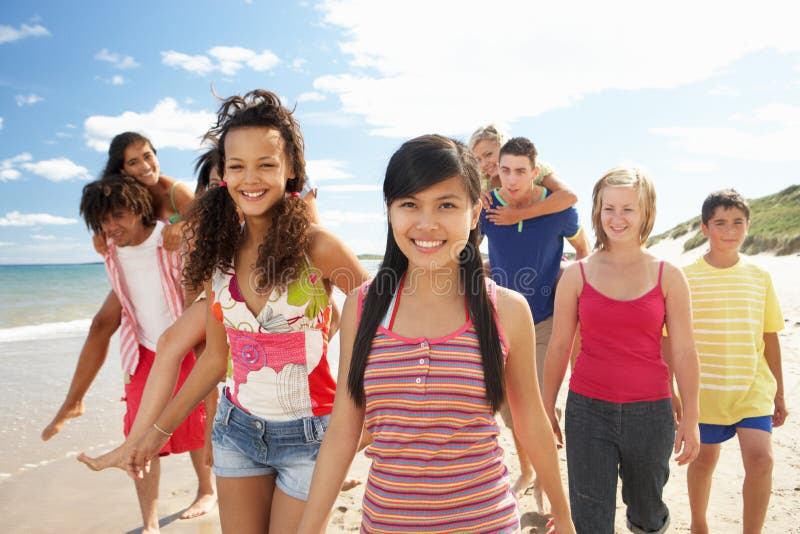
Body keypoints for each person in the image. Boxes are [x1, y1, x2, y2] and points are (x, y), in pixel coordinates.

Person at [297, 134, 575, 533]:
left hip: (488, 522)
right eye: (410, 204)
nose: (426, 223)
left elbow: (531, 420)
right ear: (390, 211)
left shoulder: (507, 310)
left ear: (475, 213)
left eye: (446, 205)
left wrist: (563, 517)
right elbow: (343, 431)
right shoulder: (363, 306)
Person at [124, 89, 369, 533]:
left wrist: (363, 421)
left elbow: (379, 318)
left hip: (312, 437)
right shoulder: (219, 256)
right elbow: (215, 360)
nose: (249, 179)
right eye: (237, 166)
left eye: (266, 164)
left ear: (290, 169)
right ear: (223, 174)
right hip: (236, 434)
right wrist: (155, 434)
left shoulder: (319, 247)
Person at [542, 165, 701, 534]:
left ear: (646, 211)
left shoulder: (668, 275)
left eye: (628, 209)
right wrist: (546, 407)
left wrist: (691, 416)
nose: (617, 218)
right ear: (598, 211)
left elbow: (684, 350)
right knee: (590, 519)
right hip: (587, 411)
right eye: (608, 208)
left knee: (647, 514)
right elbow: (560, 345)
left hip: (651, 413)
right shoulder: (576, 274)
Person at [61, 174, 212, 533]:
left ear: (139, 209)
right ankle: (150, 523)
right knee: (139, 434)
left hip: (186, 344)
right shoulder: (110, 251)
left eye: (119, 215)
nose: (111, 226)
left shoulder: (169, 238)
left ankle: (206, 490)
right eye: (103, 220)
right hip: (143, 351)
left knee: (196, 423)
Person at [41, 132, 195, 442]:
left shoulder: (173, 191)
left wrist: (182, 225)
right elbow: (105, 211)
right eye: (133, 162)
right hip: (140, 268)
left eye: (148, 156)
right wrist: (100, 232)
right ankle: (73, 401)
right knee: (101, 323)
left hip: (176, 268)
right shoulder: (117, 193)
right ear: (122, 170)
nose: (144, 166)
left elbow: (209, 224)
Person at [480, 136, 591, 506]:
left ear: (535, 172)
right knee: (510, 410)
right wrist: (480, 267)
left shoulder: (559, 210)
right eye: (506, 170)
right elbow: (462, 249)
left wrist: (570, 280)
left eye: (520, 171)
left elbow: (583, 249)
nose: (512, 179)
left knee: (541, 406)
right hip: (500, 320)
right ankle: (528, 471)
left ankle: (546, 481)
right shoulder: (487, 208)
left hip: (545, 319)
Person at [675, 189, 787, 534]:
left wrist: (780, 393)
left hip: (752, 387)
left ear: (748, 226)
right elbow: (668, 338)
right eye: (720, 223)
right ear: (704, 228)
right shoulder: (685, 277)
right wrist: (671, 390)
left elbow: (769, 336)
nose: (730, 230)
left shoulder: (759, 277)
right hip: (706, 390)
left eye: (738, 222)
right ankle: (699, 524)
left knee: (762, 460)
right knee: (704, 460)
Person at [469, 124, 577, 225]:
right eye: (478, 160)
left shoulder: (531, 169)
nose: (484, 164)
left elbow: (569, 197)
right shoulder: (483, 182)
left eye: (488, 154)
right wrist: (476, 199)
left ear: (504, 147)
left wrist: (518, 215)